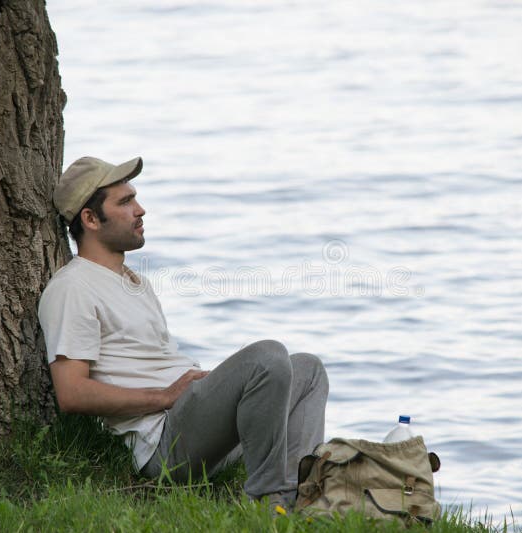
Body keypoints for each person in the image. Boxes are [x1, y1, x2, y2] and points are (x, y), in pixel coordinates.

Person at [38, 156, 329, 508]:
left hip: (196, 429)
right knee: (267, 356)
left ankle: (300, 499)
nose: (140, 210)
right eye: (125, 202)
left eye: (135, 199)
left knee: (308, 370)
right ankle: (268, 501)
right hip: (164, 442)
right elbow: (71, 393)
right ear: (90, 219)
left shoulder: (135, 283)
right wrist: (163, 397)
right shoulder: (73, 287)